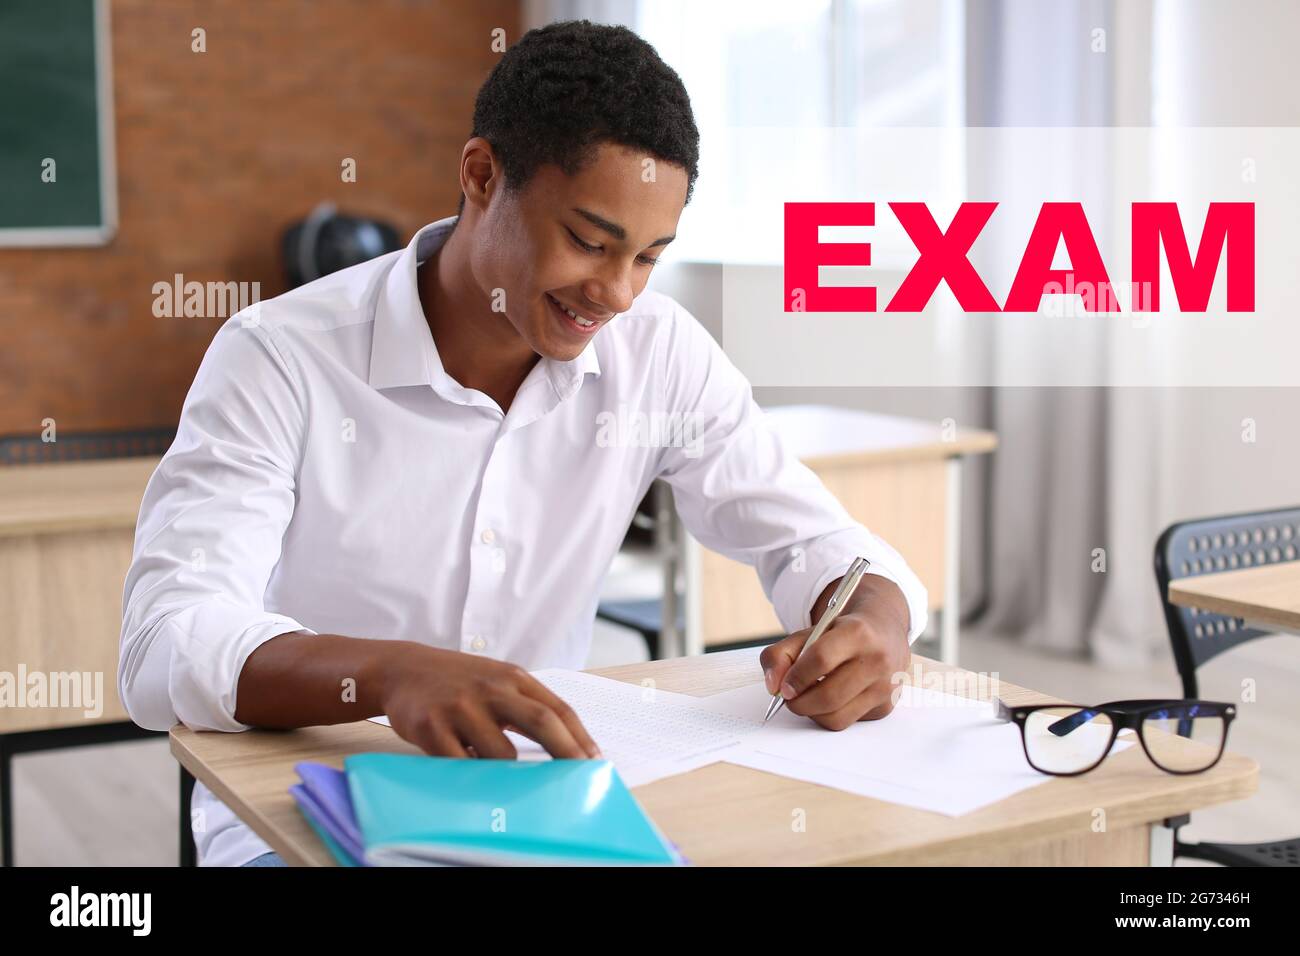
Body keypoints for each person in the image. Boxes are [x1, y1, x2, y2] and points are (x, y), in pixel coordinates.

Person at [119, 19, 927, 867]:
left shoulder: (658, 350)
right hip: (299, 812)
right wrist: (391, 675)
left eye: (649, 256)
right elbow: (166, 640)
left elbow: (812, 539)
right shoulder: (278, 355)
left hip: (545, 811)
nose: (616, 293)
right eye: (588, 240)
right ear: (481, 175)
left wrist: (874, 615)